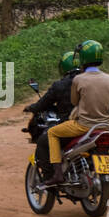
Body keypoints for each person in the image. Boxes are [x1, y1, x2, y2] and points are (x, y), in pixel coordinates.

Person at [43, 39, 109, 186]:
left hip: (84, 126)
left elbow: (74, 102)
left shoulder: (79, 79)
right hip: (105, 128)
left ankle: (58, 173)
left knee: (52, 133)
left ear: (83, 58)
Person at [23, 51, 79, 180]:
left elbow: (43, 103)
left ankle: (51, 177)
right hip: (100, 124)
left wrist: (31, 108)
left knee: (44, 140)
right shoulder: (88, 79)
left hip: (74, 124)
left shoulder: (61, 85)